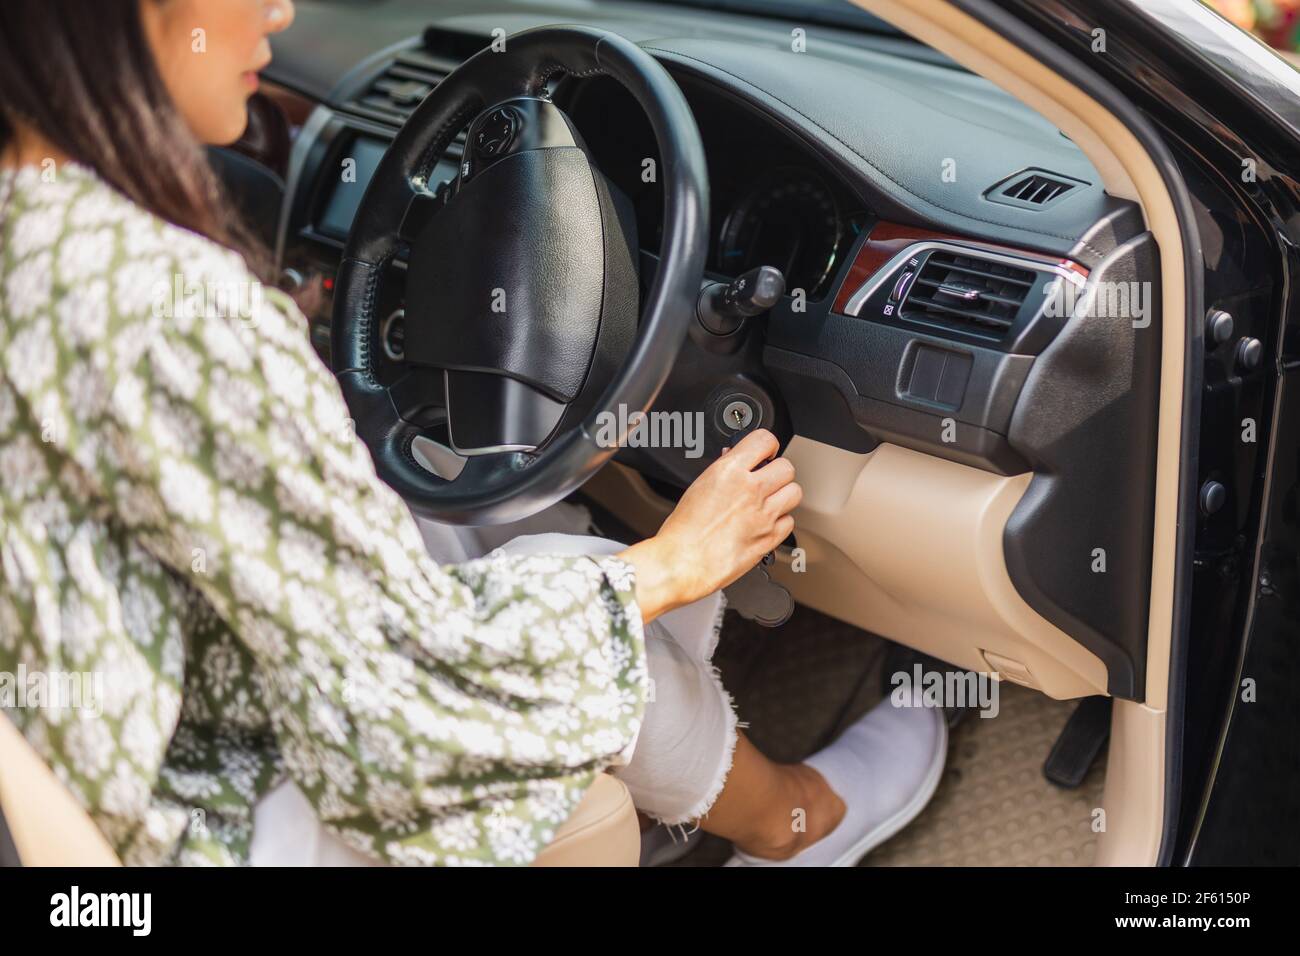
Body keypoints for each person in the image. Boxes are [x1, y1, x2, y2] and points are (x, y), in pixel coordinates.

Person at [0, 0, 946, 867]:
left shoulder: (41, 238)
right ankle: (795, 820)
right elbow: (399, 711)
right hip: (222, 821)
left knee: (460, 539)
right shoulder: (158, 308)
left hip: (118, 770)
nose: (281, 9)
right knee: (564, 612)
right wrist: (671, 565)